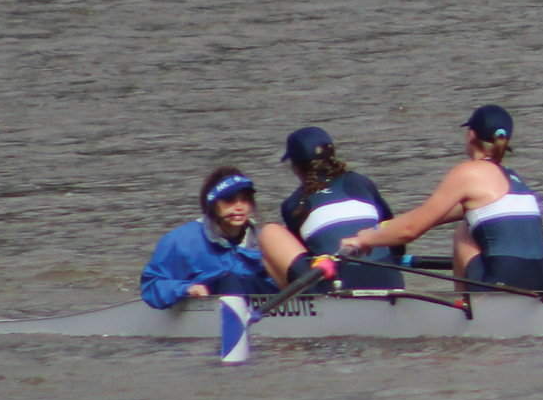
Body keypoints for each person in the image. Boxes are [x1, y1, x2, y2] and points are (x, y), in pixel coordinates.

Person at [339, 105, 543, 291]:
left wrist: (364, 239)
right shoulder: (515, 180)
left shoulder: (467, 172)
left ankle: (463, 314)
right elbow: (429, 217)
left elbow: (411, 229)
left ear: (470, 136)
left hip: (507, 282)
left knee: (463, 231)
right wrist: (382, 231)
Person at [257, 126, 405, 292]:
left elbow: (306, 258)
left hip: (340, 292)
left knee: (268, 238)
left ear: (295, 167)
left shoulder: (292, 205)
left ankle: (297, 304)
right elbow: (398, 244)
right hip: (393, 285)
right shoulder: (361, 182)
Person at [140, 167, 278, 309]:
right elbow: (151, 286)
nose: (239, 207)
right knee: (230, 279)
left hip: (259, 308)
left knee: (248, 281)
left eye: (245, 199)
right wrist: (186, 288)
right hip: (210, 308)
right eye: (230, 200)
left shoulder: (267, 241)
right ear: (212, 204)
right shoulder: (180, 241)